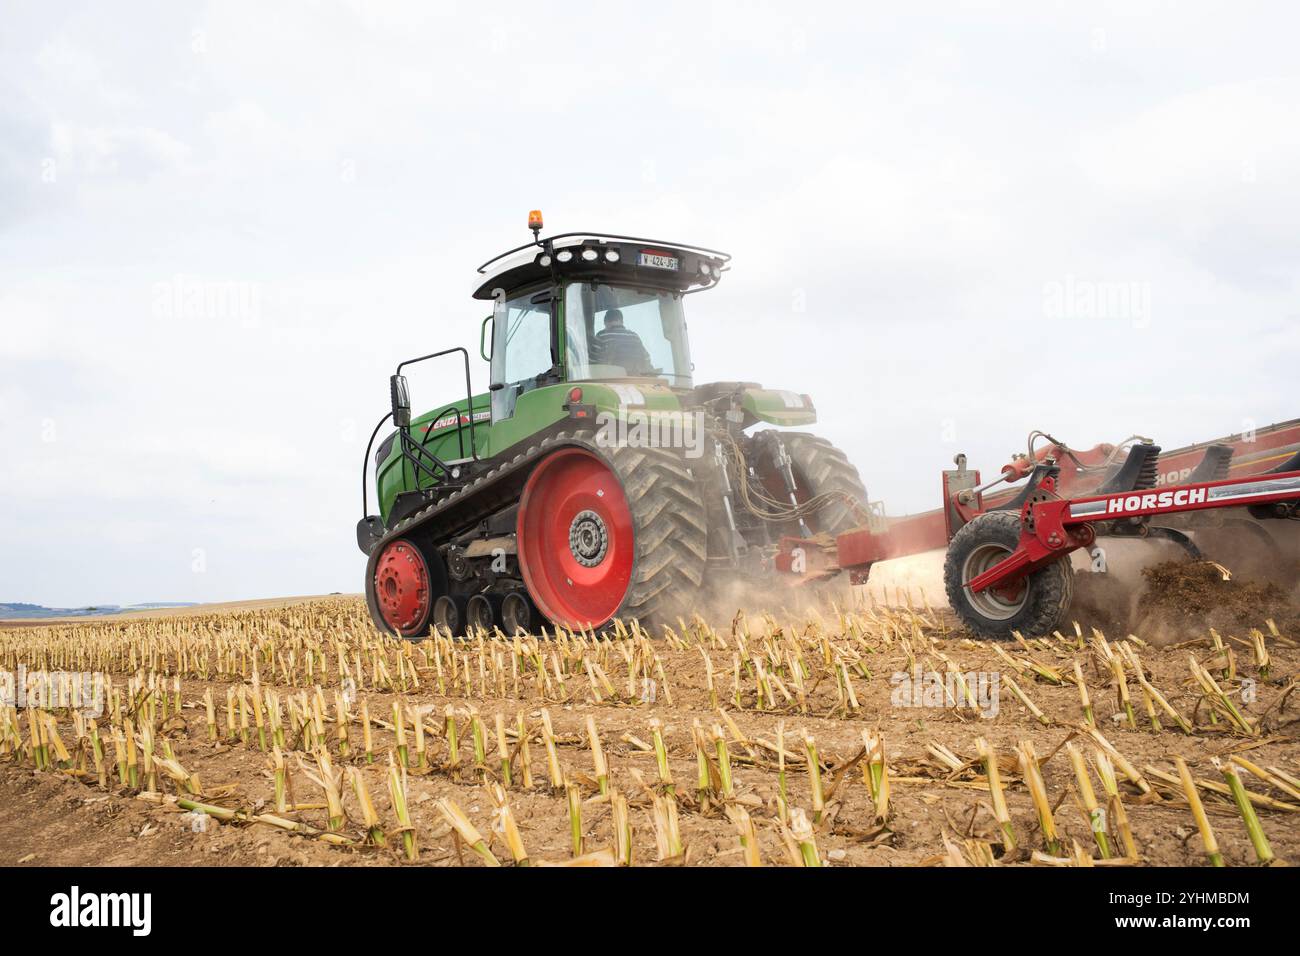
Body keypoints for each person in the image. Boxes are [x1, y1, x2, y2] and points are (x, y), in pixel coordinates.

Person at [589, 308, 652, 374]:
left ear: (605, 322)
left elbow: (592, 362)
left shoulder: (602, 335)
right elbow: (646, 358)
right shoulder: (634, 336)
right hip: (635, 380)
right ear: (622, 321)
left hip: (609, 380)